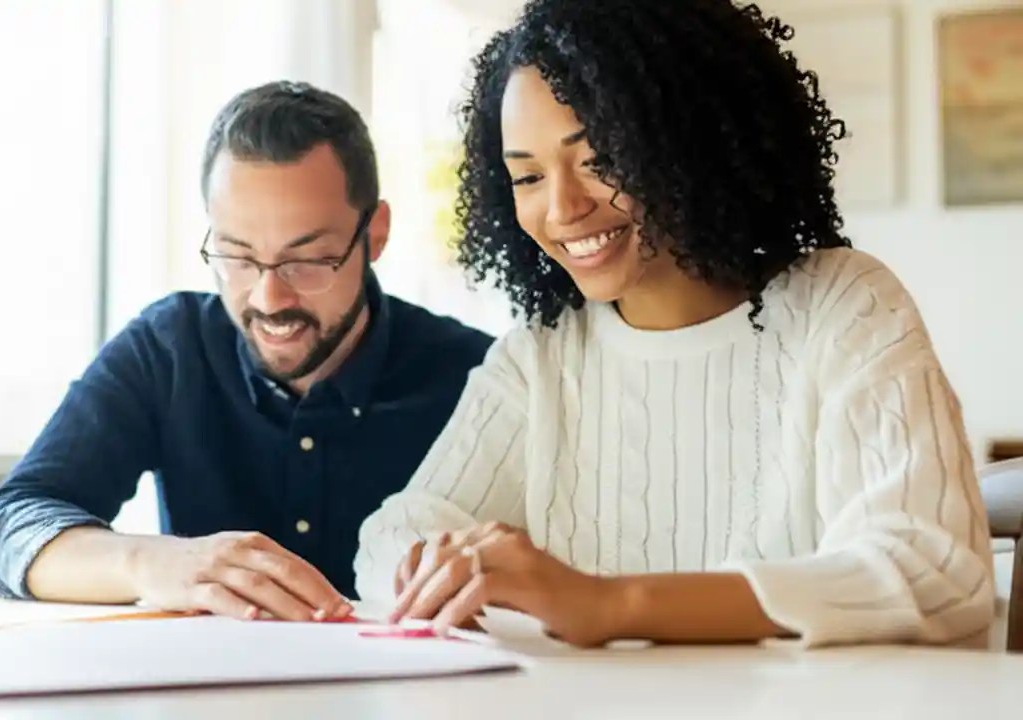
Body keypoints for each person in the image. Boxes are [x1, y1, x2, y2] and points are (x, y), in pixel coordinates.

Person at [354, 0, 995, 649]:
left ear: (694, 141)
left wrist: (612, 605)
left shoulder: (843, 305)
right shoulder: (540, 359)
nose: (563, 207)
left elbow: (933, 570)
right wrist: (445, 571)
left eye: (600, 159)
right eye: (527, 175)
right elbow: (393, 536)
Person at [0, 81, 493, 622]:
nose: (269, 298)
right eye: (237, 257)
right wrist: (153, 562)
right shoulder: (169, 348)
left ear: (374, 235)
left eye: (305, 260)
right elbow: (4, 529)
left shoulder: (481, 380)